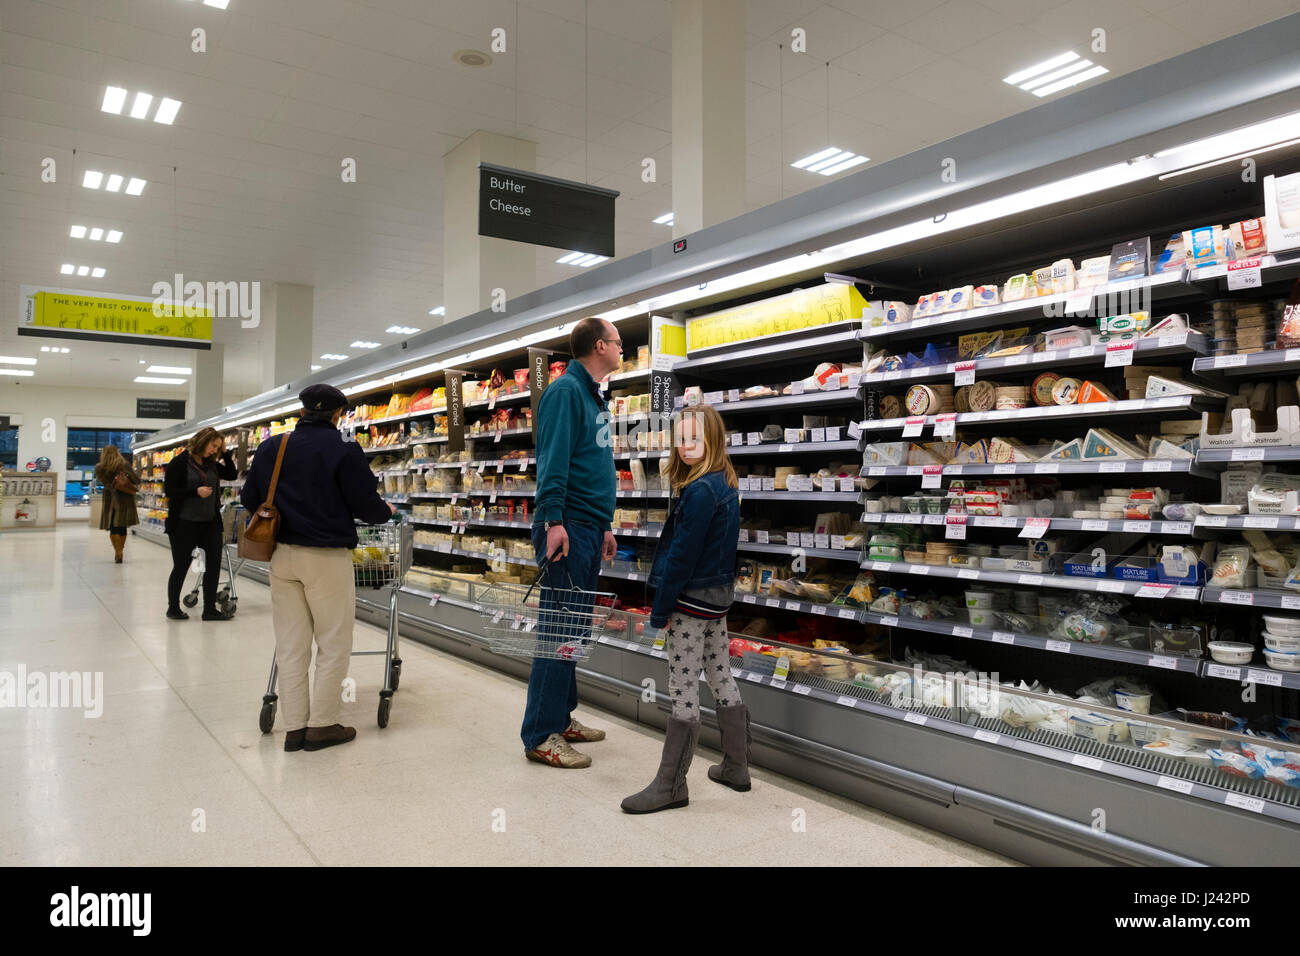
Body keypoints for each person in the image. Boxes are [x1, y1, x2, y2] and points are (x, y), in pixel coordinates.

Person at [241, 384, 393, 753]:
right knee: (333, 641)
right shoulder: (344, 450)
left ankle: (294, 728)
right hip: (325, 558)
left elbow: (249, 498)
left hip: (282, 556)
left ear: (304, 410)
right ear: (339, 413)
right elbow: (367, 505)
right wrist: (385, 511)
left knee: (291, 645)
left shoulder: (273, 447)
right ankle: (322, 725)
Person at [622, 405, 746, 814]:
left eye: (694, 438)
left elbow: (682, 556)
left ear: (712, 440)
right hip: (717, 601)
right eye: (680, 438)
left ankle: (670, 785)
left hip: (689, 604)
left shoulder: (697, 492)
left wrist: (661, 608)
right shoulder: (726, 484)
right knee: (720, 674)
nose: (685, 446)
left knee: (682, 686)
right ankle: (736, 765)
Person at [522, 316, 622, 768]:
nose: (623, 348)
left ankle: (560, 718)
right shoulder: (565, 392)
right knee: (559, 630)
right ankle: (541, 734)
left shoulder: (591, 394)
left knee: (575, 630)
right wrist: (552, 521)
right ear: (600, 346)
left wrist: (603, 523)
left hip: (587, 525)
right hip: (566, 527)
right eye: (619, 342)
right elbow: (553, 461)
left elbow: (590, 466)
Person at [164, 427, 237, 620]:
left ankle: (210, 610)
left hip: (210, 522)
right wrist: (194, 491)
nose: (214, 450)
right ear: (203, 441)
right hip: (183, 524)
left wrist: (225, 454)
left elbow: (232, 475)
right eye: (213, 446)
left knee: (212, 565)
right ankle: (173, 608)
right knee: (182, 565)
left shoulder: (211, 463)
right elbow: (170, 491)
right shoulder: (179, 463)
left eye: (217, 448)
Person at [94, 445, 140, 564]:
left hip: (110, 498)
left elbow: (102, 481)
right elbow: (136, 480)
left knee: (113, 526)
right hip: (124, 497)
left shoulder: (99, 467)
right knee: (122, 526)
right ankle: (120, 552)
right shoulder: (124, 465)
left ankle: (117, 552)